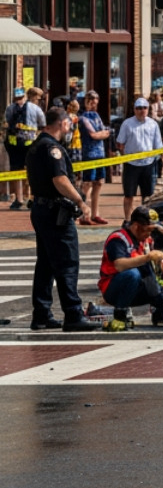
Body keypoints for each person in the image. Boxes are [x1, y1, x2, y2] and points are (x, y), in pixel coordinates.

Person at [27, 106, 97, 331]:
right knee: (67, 263)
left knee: (46, 264)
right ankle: (73, 314)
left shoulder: (37, 146)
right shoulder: (52, 148)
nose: (69, 126)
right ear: (60, 123)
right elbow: (60, 180)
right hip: (55, 213)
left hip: (41, 209)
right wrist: (80, 201)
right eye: (68, 122)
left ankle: (41, 314)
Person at [97, 205, 163, 325]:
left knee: (160, 280)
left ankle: (160, 312)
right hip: (113, 287)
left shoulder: (146, 240)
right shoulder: (118, 239)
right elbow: (119, 265)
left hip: (137, 286)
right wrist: (147, 257)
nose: (149, 234)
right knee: (132, 273)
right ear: (136, 226)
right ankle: (120, 314)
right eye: (147, 230)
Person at [117, 97, 162, 223]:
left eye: (144, 108)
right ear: (134, 110)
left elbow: (158, 146)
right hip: (131, 165)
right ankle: (127, 220)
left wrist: (155, 159)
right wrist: (126, 156)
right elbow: (120, 143)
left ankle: (146, 219)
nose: (141, 110)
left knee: (147, 196)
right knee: (129, 195)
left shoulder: (153, 124)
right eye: (138, 108)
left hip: (148, 164)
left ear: (148, 109)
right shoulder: (127, 124)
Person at [6, 87, 45, 210]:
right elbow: (43, 124)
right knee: (32, 170)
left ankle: (19, 199)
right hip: (30, 143)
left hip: (14, 143)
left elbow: (6, 122)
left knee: (17, 170)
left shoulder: (10, 108)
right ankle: (33, 198)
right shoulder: (35, 108)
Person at [76, 90, 112, 225]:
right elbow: (94, 134)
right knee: (87, 184)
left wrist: (102, 133)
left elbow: (104, 131)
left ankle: (95, 213)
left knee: (99, 183)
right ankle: (83, 213)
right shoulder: (84, 117)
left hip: (100, 153)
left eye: (95, 102)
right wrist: (103, 133)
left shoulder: (96, 115)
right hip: (89, 153)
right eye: (90, 101)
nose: (93, 104)